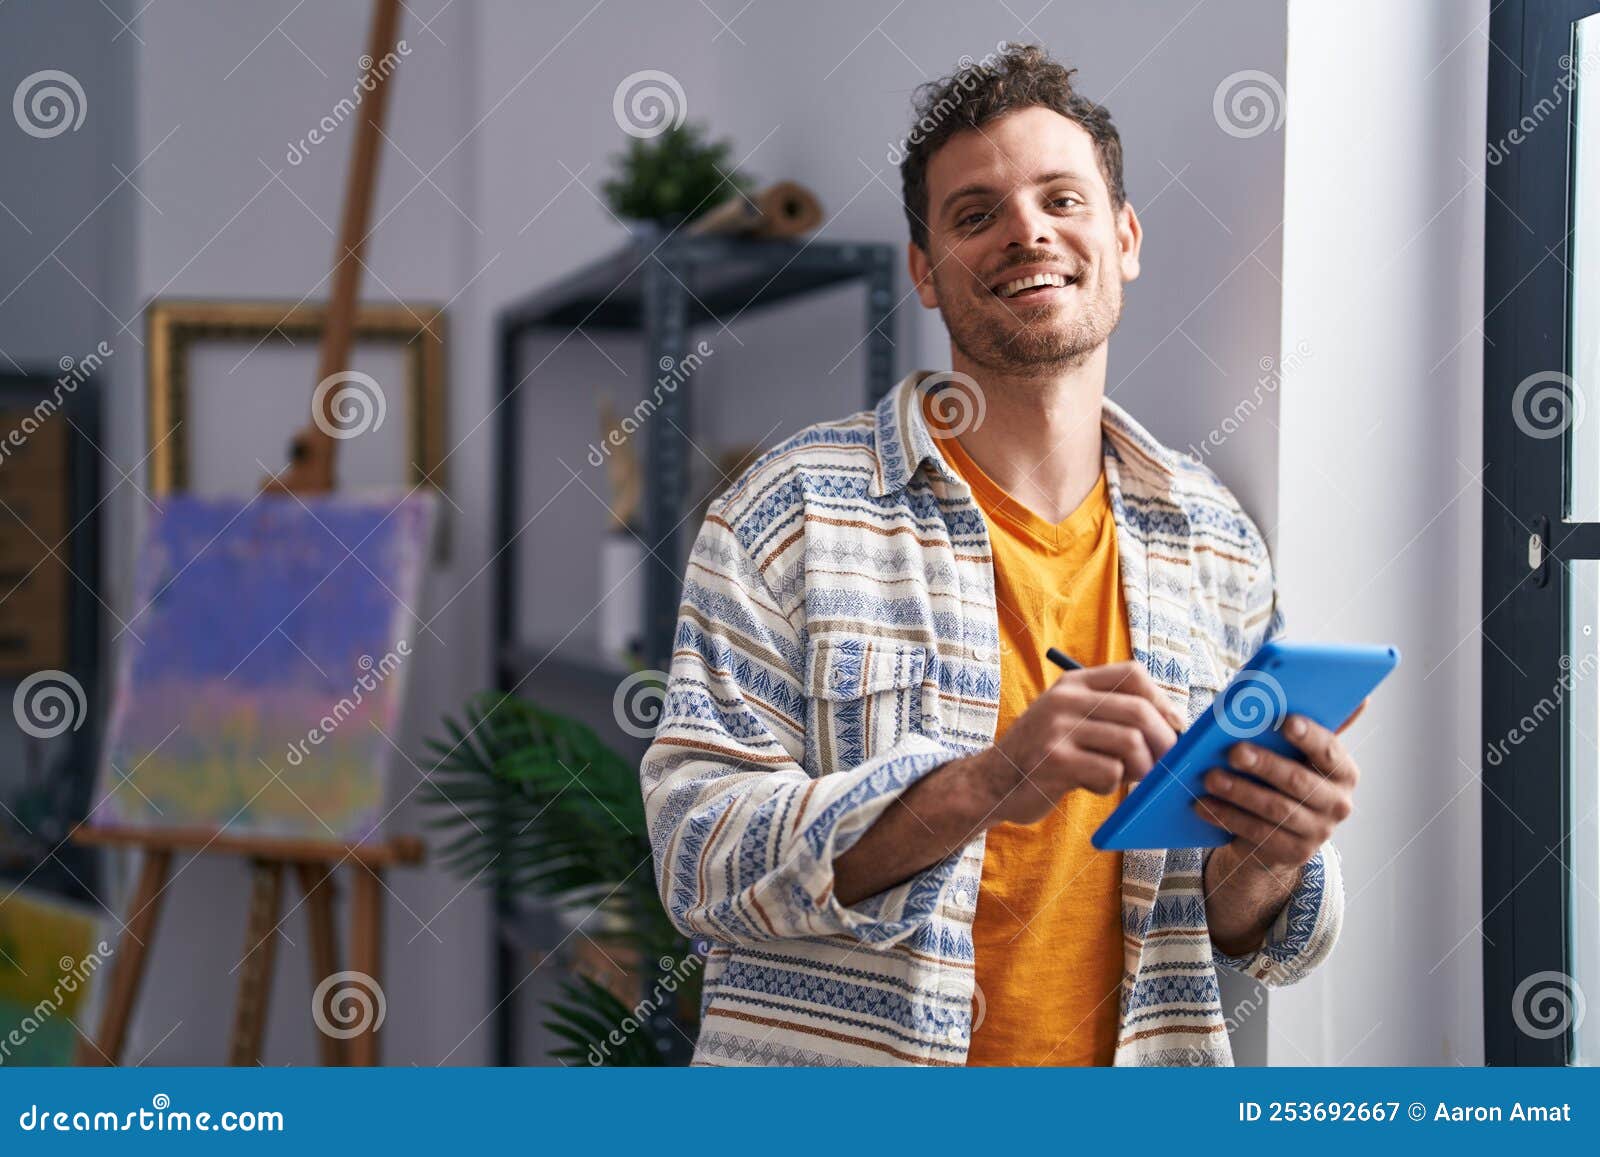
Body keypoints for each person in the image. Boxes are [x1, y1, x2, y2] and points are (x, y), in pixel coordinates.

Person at [640, 43, 1359, 1067]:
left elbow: (1247, 932)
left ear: (1123, 235)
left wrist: (1272, 852)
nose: (1026, 230)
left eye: (1060, 199)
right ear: (926, 272)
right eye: (975, 214)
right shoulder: (786, 513)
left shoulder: (1215, 541)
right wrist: (984, 781)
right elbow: (692, 858)